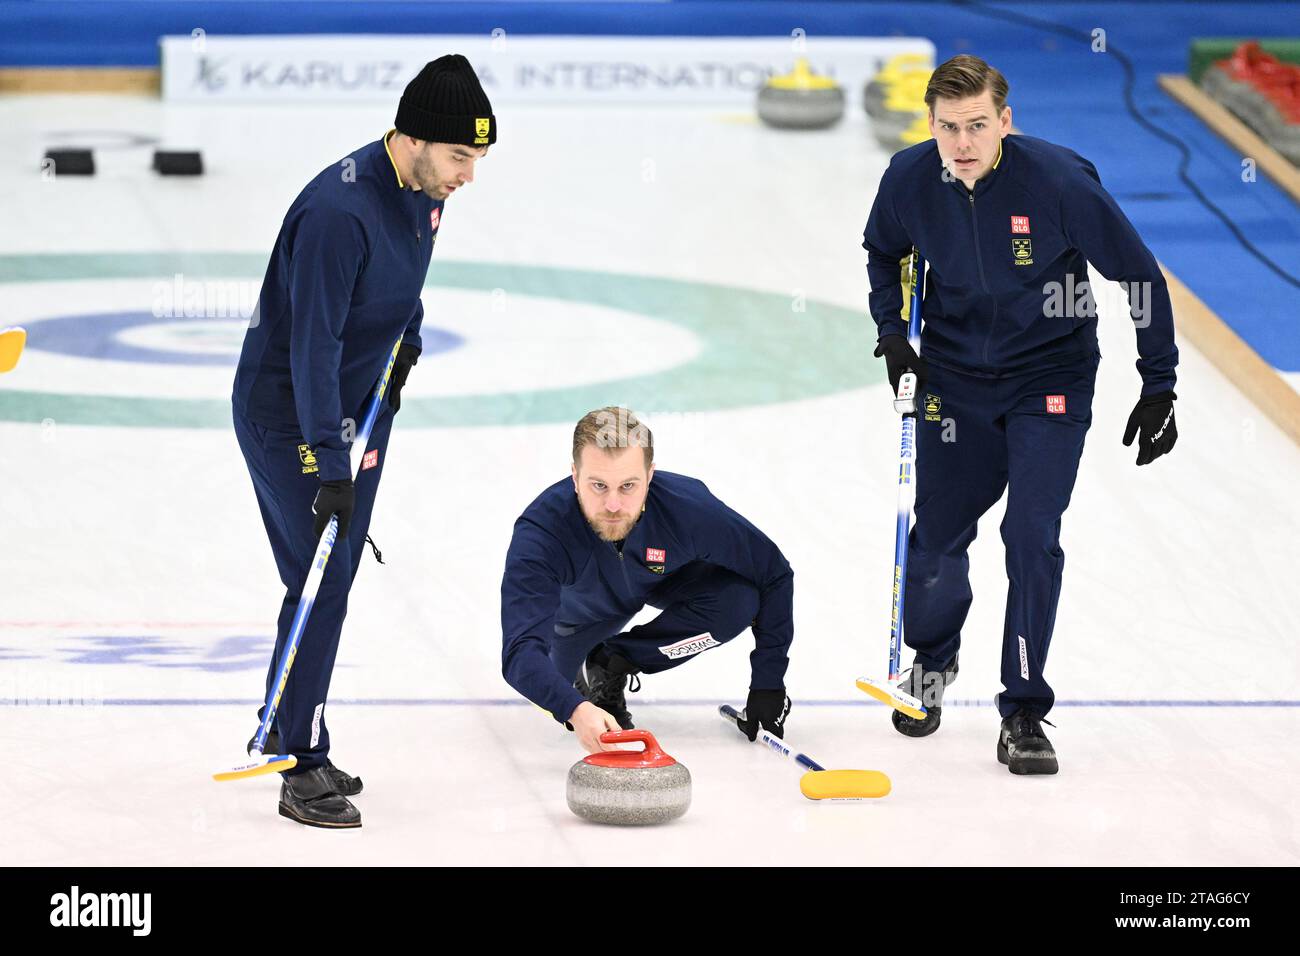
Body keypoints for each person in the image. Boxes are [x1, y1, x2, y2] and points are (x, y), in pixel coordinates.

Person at [862, 55, 1179, 775]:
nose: (964, 142)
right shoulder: (910, 180)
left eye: (978, 125)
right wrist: (891, 335)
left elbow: (1139, 277)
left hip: (1050, 375)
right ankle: (932, 666)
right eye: (949, 128)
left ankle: (1025, 711)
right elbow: (885, 253)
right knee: (938, 535)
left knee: (1030, 533)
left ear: (1005, 120)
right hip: (952, 378)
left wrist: (1159, 384)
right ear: (931, 125)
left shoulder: (1059, 184)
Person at [231, 54, 495, 827]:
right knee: (320, 581)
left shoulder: (428, 194)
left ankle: (299, 732)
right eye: (459, 157)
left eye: (478, 159)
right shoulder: (337, 215)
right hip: (294, 421)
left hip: (360, 408)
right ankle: (297, 761)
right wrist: (327, 463)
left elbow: (406, 277)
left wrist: (406, 339)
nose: (468, 175)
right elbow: (311, 348)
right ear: (411, 139)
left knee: (335, 576)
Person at [501, 407, 794, 752]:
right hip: (576, 621)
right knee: (553, 689)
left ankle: (611, 662)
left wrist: (767, 685)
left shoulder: (688, 510)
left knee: (739, 602)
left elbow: (773, 572)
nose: (612, 504)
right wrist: (575, 708)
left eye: (628, 486)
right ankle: (582, 670)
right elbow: (520, 652)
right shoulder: (542, 533)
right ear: (574, 476)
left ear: (650, 476)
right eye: (598, 485)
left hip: (659, 579)